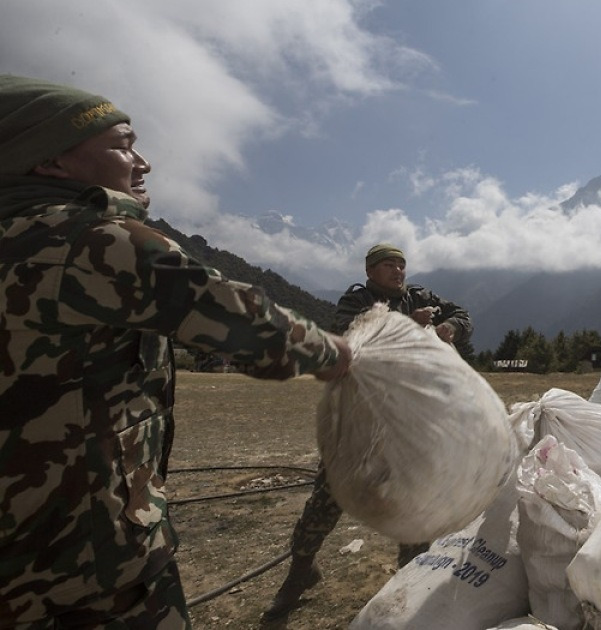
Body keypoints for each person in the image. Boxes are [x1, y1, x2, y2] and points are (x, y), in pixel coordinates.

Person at [0, 75, 351, 628]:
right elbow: (251, 327)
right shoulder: (91, 240)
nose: (142, 162)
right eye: (122, 146)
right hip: (85, 562)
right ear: (50, 161)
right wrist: (342, 355)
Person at [264, 243, 472, 620]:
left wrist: (449, 327)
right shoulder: (357, 300)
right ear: (370, 271)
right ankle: (300, 573)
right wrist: (410, 324)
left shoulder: (420, 297)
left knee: (413, 501)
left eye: (401, 265)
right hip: (360, 419)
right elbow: (351, 336)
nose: (398, 271)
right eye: (389, 265)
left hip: (406, 420)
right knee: (327, 498)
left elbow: (462, 315)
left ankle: (410, 585)